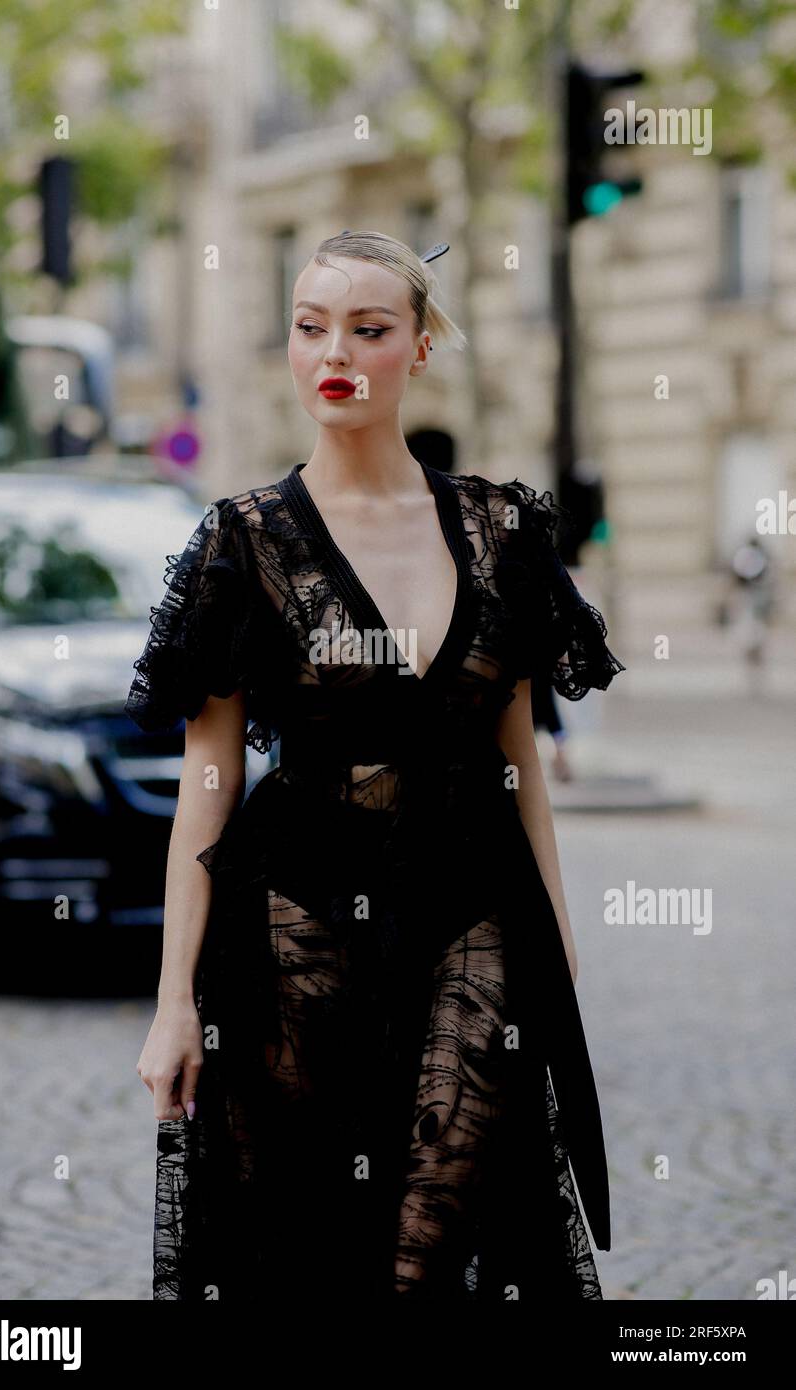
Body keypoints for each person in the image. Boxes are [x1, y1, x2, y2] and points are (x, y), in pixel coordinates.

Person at [125, 228, 626, 1305]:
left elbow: (517, 758)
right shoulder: (240, 540)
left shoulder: (498, 530)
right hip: (292, 913)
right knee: (301, 1245)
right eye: (310, 328)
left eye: (367, 327)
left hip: (472, 906)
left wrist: (556, 929)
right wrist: (173, 1001)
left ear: (418, 348)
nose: (333, 352)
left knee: (432, 1243)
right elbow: (204, 785)